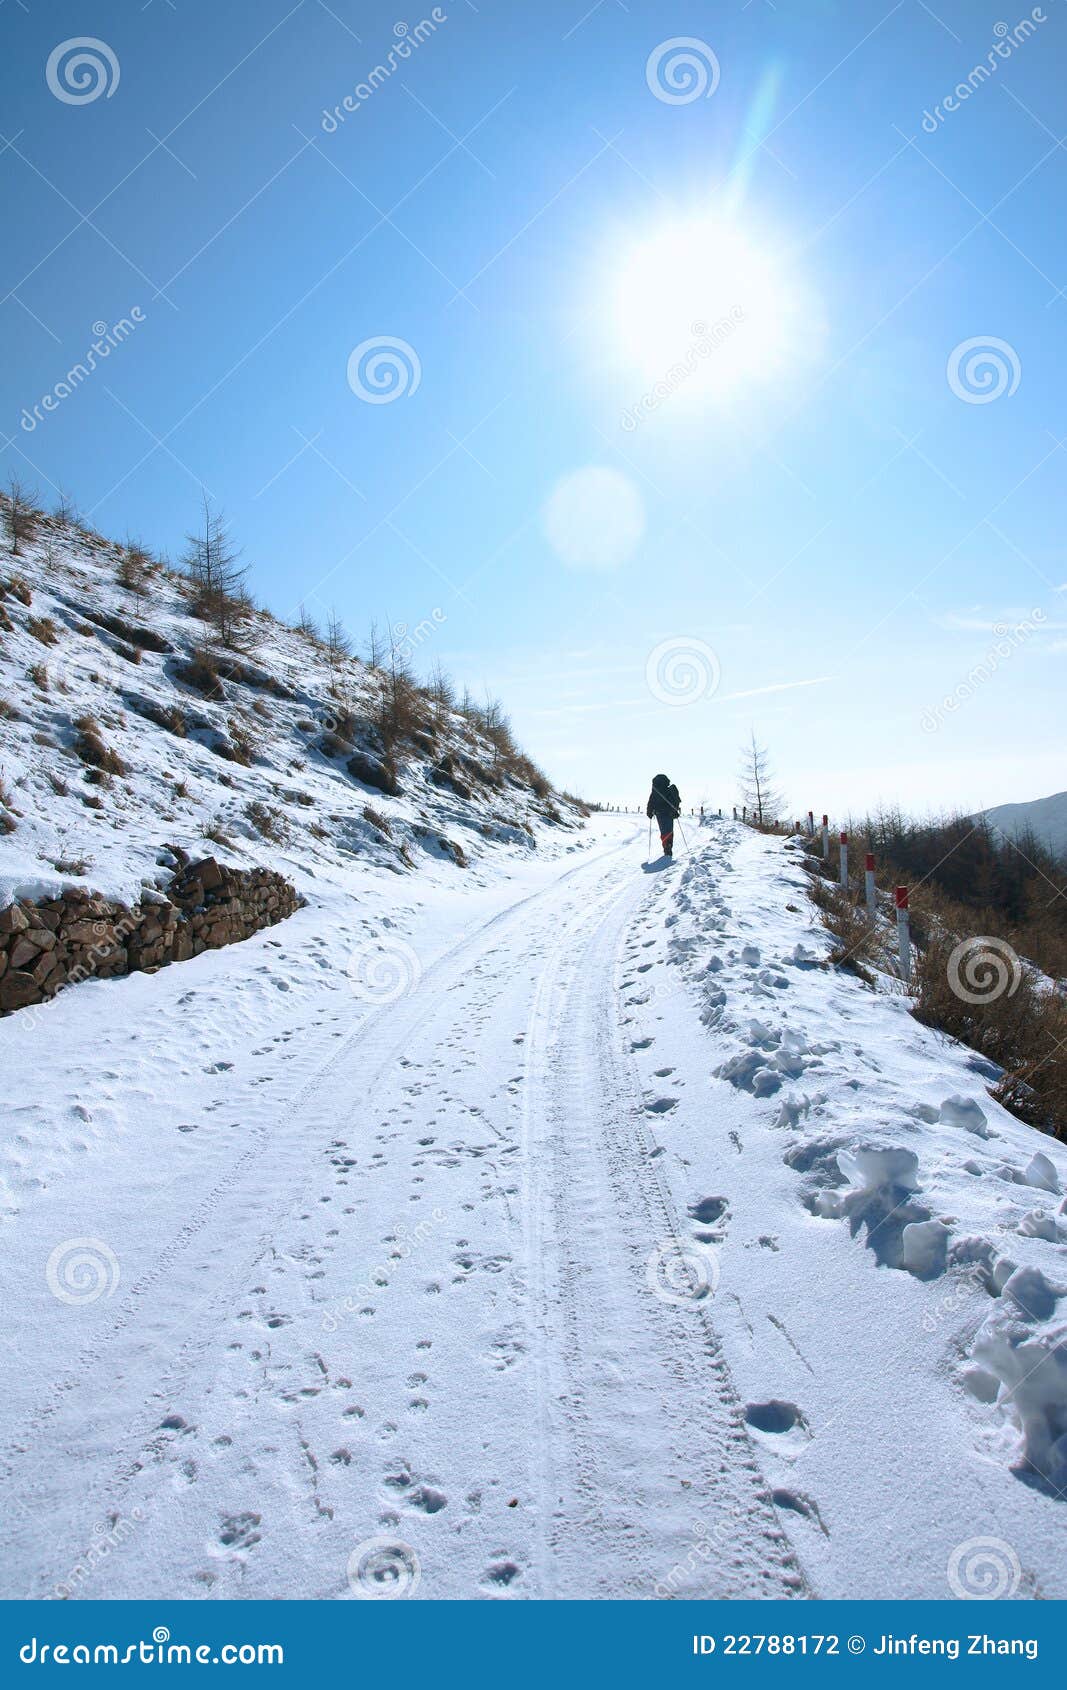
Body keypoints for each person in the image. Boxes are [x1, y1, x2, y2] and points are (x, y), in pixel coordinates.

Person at [646, 772, 681, 858]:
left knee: (664, 831)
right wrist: (675, 809)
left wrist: (649, 812)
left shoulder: (655, 791)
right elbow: (674, 800)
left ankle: (666, 846)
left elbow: (651, 802)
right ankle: (668, 846)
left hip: (659, 813)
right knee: (669, 830)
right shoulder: (669, 789)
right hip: (670, 813)